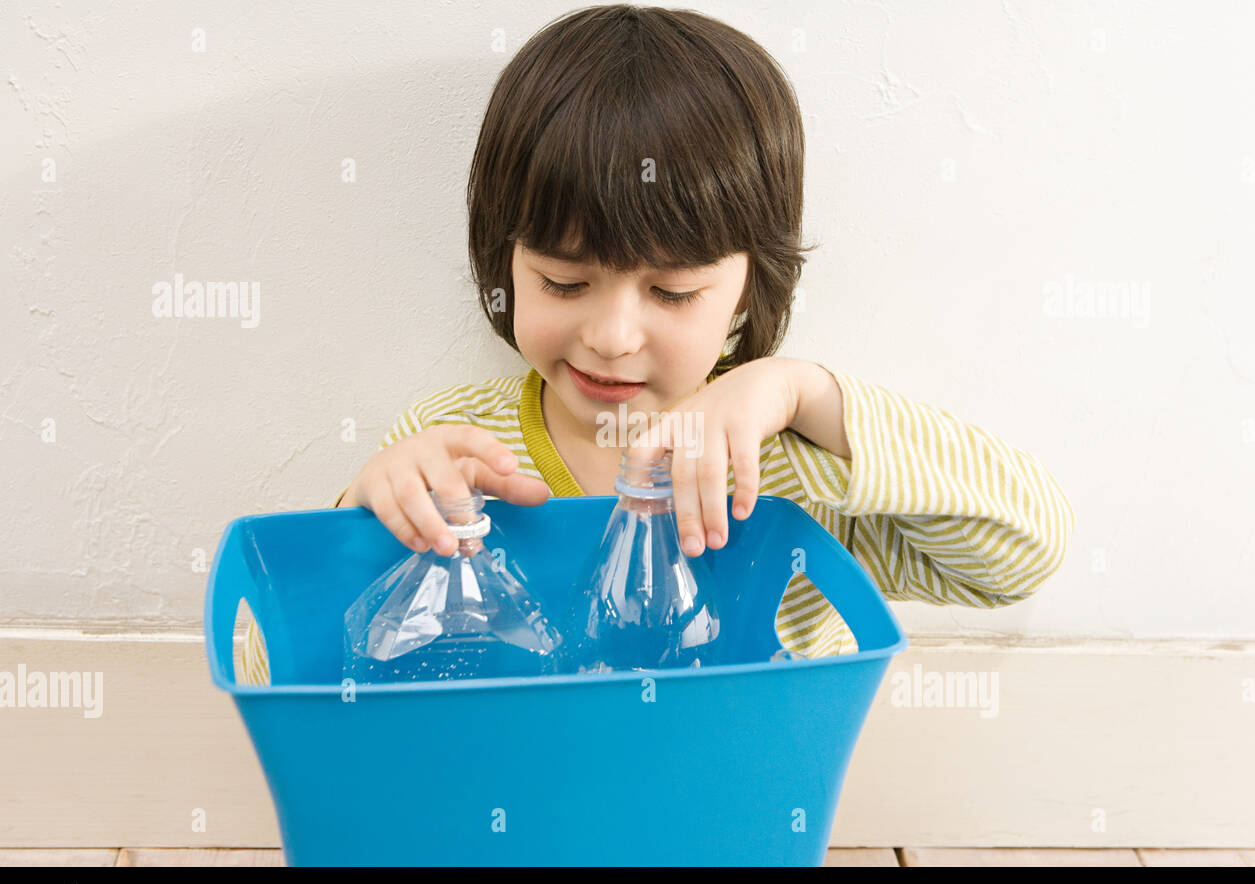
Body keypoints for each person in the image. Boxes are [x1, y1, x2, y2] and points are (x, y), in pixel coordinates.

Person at [239, 4, 1075, 685]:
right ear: (506, 264)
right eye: (565, 283)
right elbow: (288, 652)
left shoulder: (787, 461)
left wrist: (800, 391)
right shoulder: (460, 450)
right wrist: (367, 507)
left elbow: (1021, 554)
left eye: (672, 292)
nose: (609, 336)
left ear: (751, 283)